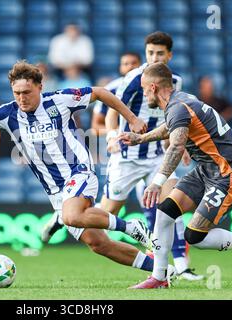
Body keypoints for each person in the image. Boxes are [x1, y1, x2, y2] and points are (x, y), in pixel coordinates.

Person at [0, 61, 177, 282]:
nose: (21, 98)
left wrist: (132, 118)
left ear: (40, 86)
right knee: (99, 244)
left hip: (79, 172)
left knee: (70, 216)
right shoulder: (8, 113)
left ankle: (131, 227)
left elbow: (99, 92)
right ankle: (162, 270)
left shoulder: (60, 100)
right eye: (16, 93)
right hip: (56, 192)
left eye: (26, 92)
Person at [45, 31, 201, 280]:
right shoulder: (133, 79)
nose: (155, 57)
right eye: (150, 52)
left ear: (169, 55)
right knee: (104, 216)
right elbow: (111, 110)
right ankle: (64, 217)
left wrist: (182, 145)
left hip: (157, 155)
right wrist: (112, 136)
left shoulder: (175, 82)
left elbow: (177, 116)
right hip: (127, 156)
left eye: (160, 53)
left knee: (172, 204)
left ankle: (180, 266)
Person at [119, 62, 232, 289]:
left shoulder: (177, 107)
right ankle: (159, 277)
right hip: (206, 170)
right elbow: (171, 128)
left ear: (153, 87)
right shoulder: (180, 101)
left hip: (228, 173)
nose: (143, 93)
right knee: (165, 213)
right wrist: (141, 138)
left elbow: (177, 146)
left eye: (144, 89)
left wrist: (157, 183)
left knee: (195, 236)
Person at [91, 52, 142, 136]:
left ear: (140, 66)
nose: (130, 66)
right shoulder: (109, 90)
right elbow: (95, 127)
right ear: (120, 67)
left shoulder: (149, 88)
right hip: (119, 142)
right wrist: (118, 131)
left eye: (134, 63)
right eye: (125, 64)